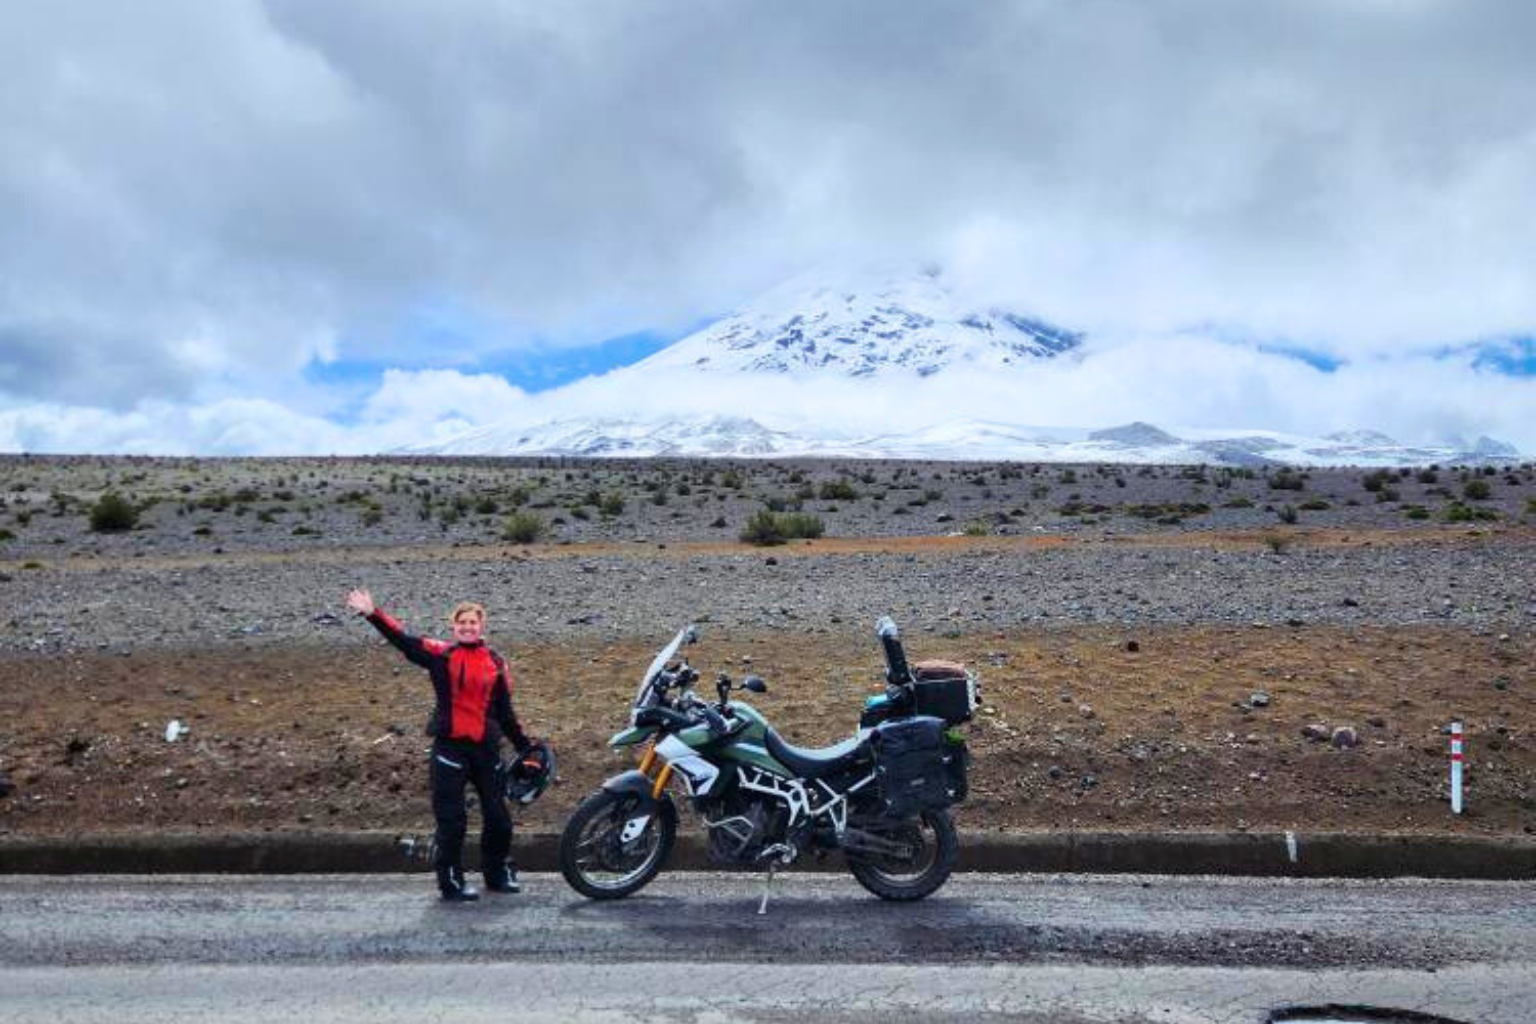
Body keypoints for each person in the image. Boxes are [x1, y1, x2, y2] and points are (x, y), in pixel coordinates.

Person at [346, 587, 534, 901]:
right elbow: (403, 641)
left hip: (486, 750)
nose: (468, 628)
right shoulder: (440, 654)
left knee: (499, 818)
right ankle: (450, 882)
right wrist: (372, 614)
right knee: (452, 821)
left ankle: (497, 874)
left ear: (482, 626)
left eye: (473, 623)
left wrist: (527, 749)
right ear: (454, 627)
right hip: (449, 750)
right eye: (462, 623)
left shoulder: (496, 663)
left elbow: (505, 713)